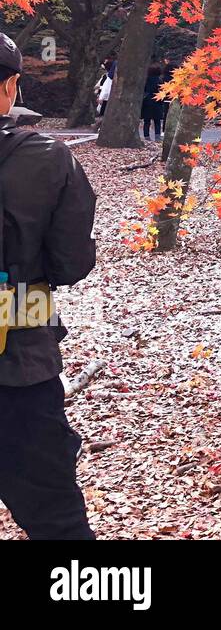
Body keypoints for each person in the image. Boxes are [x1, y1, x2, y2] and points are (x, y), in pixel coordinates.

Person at [0, 31, 97, 539]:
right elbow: (70, 264)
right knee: (57, 518)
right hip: (22, 351)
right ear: (12, 85)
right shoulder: (50, 158)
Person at [140, 60, 164, 141]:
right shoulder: (160, 81)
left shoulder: (146, 80)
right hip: (157, 103)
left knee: (147, 121)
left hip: (147, 102)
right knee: (157, 121)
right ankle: (157, 136)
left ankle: (146, 136)